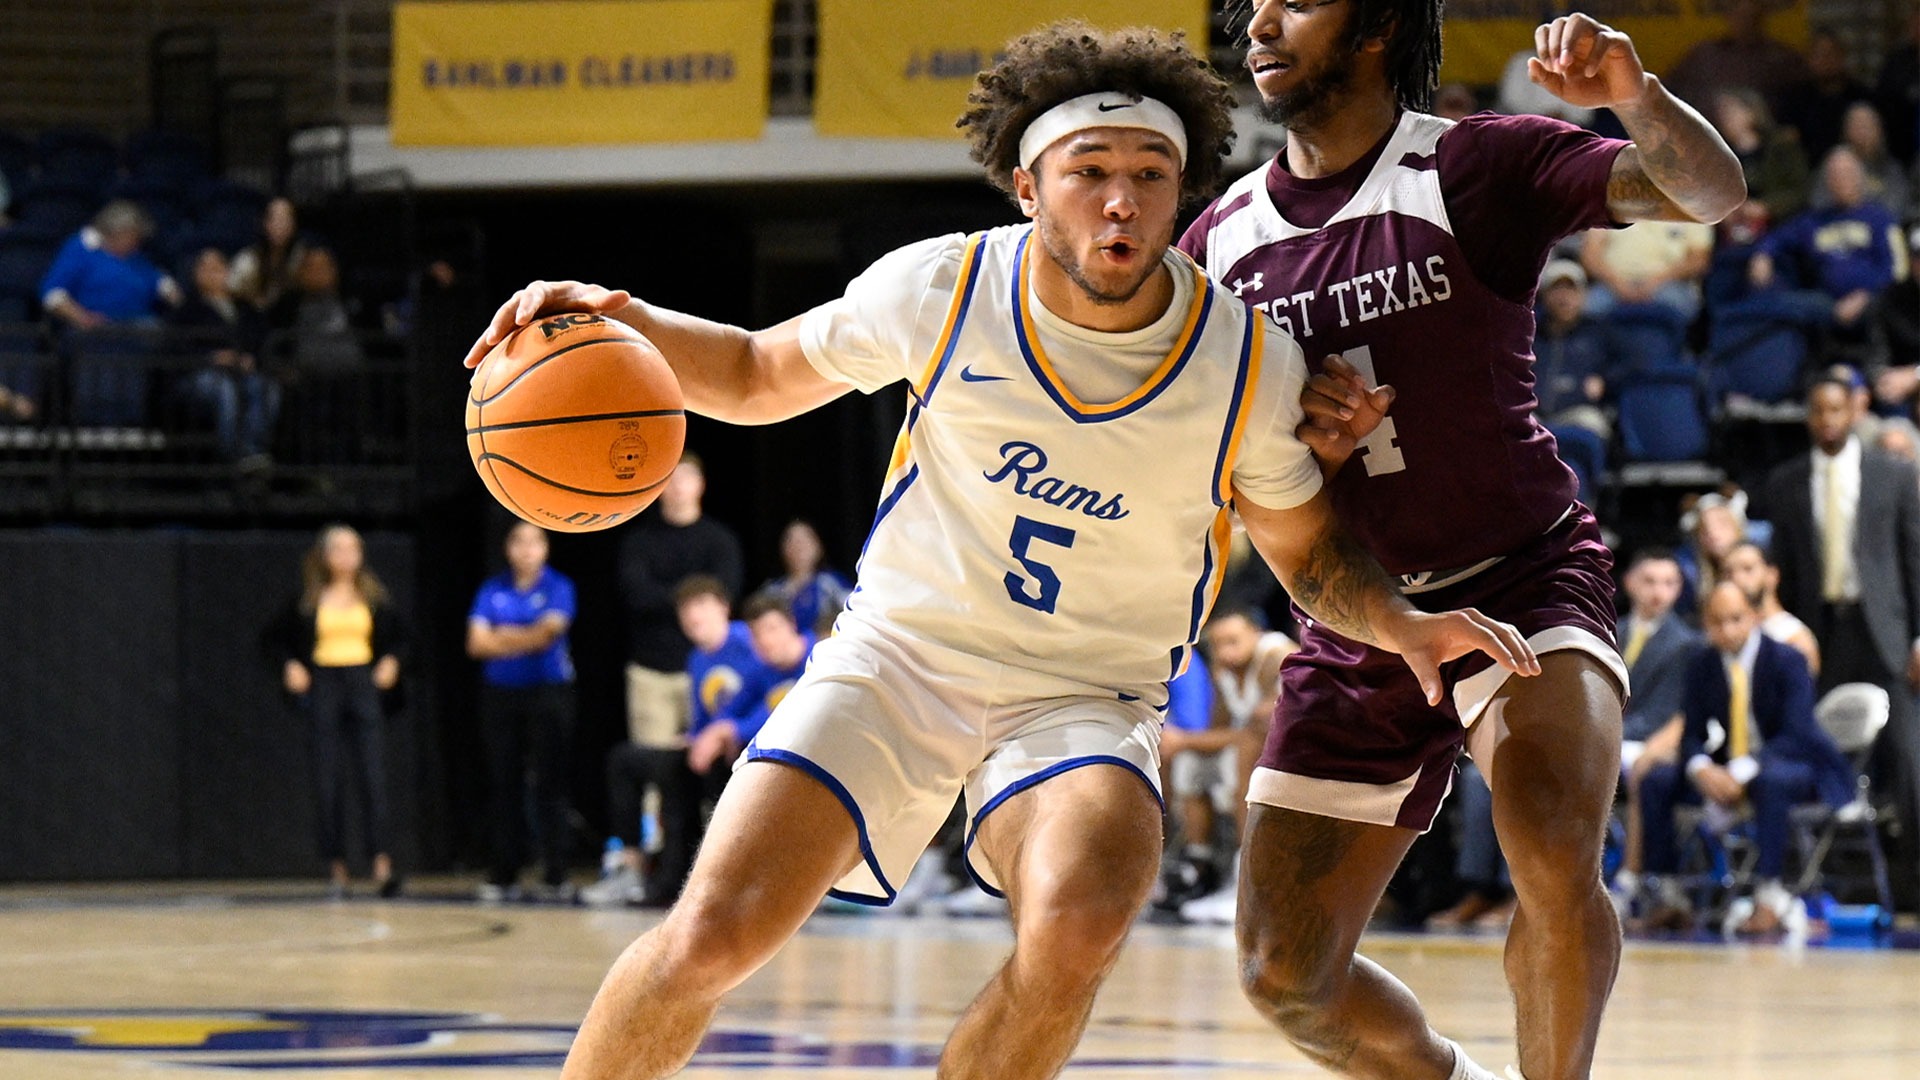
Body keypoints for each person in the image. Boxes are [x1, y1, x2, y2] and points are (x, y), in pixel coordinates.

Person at [462, 22, 1535, 1079]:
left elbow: (1308, 558)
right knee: (710, 940)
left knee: (1080, 922)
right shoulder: (939, 290)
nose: (1122, 198)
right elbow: (750, 373)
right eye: (1090, 171)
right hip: (897, 662)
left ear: (1184, 193)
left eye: (1152, 173)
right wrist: (616, 319)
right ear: (1027, 185)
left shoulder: (1244, 359)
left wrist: (1400, 620)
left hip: (1087, 694)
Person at [1182, 5, 1744, 1077]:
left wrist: (1635, 95)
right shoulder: (1219, 244)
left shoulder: (1472, 165)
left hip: (1518, 577)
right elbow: (1223, 493)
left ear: (1379, 25)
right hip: (1357, 617)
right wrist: (1308, 461)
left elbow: (1709, 194)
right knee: (1281, 974)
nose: (1257, 17)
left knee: (1547, 842)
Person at [1761, 370, 1920, 910]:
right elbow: (1780, 571)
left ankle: (1912, 887)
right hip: (1819, 632)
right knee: (1816, 751)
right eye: (1818, 410)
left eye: (1837, 409)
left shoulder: (1893, 475)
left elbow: (1913, 561)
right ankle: (1819, 881)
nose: (1828, 419)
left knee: (1905, 753)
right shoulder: (1785, 482)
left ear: (1855, 411)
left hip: (1884, 633)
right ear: (1809, 416)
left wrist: (1919, 637)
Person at [1635, 581, 1855, 934]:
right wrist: (1701, 767)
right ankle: (1669, 895)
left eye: (1736, 619)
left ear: (1753, 616)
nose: (1727, 629)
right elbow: (1692, 733)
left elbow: (1797, 733)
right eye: (1717, 622)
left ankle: (1769, 894)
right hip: (1729, 766)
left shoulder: (1788, 660)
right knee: (1657, 780)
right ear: (1705, 623)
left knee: (1771, 781)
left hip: (1796, 767)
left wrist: (1742, 771)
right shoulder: (1702, 664)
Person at [587, 576, 757, 908]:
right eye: (686, 609)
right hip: (710, 749)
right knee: (626, 760)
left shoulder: (749, 643)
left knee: (679, 780)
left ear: (723, 607)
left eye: (702, 605)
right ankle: (633, 864)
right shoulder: (697, 659)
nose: (694, 616)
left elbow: (768, 696)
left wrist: (727, 731)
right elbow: (704, 721)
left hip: (746, 749)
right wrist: (695, 737)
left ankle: (687, 876)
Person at [267, 524, 407, 899]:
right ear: (325, 556)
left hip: (362, 682)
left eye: (354, 548)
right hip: (325, 683)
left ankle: (381, 862)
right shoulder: (307, 599)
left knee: (372, 774)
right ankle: (336, 866)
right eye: (340, 549)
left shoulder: (374, 597)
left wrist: (392, 660)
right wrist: (290, 665)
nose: (347, 556)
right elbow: (274, 639)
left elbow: (401, 637)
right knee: (327, 778)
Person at [467, 521, 578, 902]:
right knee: (504, 783)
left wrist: (503, 636)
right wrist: (524, 636)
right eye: (519, 541)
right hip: (501, 694)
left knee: (551, 783)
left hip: (549, 693)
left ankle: (555, 873)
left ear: (545, 549)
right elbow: (476, 644)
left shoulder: (558, 586)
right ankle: (504, 873)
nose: (527, 549)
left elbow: (547, 635)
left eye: (535, 542)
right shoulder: (492, 589)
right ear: (508, 549)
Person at [1167, 606, 1295, 924]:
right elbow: (1219, 729)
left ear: (1256, 633)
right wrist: (1186, 744)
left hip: (1296, 753)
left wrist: (1183, 739)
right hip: (1250, 750)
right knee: (1191, 763)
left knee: (1246, 754)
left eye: (1234, 641)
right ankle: (1199, 867)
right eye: (1219, 644)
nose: (1226, 651)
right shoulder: (1225, 672)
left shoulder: (1278, 655)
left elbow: (1265, 726)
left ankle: (1249, 882)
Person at [616, 455, 744, 753]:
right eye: (669, 478)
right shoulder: (638, 542)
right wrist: (695, 598)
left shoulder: (720, 540)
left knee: (712, 769)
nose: (677, 486)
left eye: (685, 477)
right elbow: (636, 595)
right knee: (655, 771)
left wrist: (667, 597)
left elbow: (727, 594)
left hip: (711, 668)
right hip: (652, 672)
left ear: (700, 484)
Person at [1749, 147, 1906, 362]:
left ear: (1860, 177)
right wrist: (1762, 255)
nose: (1841, 181)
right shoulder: (1815, 220)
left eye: (1846, 174)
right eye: (1834, 175)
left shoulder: (1880, 219)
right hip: (1826, 302)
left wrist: (1865, 296)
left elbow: (1897, 270)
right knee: (1778, 303)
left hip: (1873, 300)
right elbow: (1777, 237)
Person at [1609, 549, 1701, 912]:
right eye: (1649, 581)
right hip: (1612, 736)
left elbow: (1663, 714)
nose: (1658, 592)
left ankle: (1629, 879)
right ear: (1629, 583)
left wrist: (1598, 733)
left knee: (1636, 770)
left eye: (1669, 583)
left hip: (1645, 742)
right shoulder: (1609, 631)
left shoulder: (1686, 644)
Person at [167, 246, 280, 465]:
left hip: (243, 372)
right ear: (196, 274)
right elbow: (176, 346)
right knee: (224, 390)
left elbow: (261, 340)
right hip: (200, 374)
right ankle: (234, 457)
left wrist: (250, 358)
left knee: (267, 389)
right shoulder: (187, 310)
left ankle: (253, 453)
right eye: (206, 268)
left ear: (228, 272)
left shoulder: (245, 308)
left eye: (218, 268)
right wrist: (212, 357)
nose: (212, 273)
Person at [1662, 0, 1809, 118]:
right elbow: (1667, 89)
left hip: (1763, 146)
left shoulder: (1780, 58)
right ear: (1729, 16)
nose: (1745, 22)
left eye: (1751, 17)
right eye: (1739, 15)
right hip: (1703, 139)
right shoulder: (1705, 54)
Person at [1719, 540, 1821, 676]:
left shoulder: (1795, 639)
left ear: (1772, 575)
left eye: (1747, 569)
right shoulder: (1723, 634)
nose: (1736, 578)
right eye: (1728, 572)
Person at [758, 519, 850, 637]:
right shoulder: (772, 591)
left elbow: (854, 615)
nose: (799, 547)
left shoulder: (831, 584)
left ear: (818, 546)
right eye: (792, 541)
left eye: (804, 541)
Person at [230, 196, 309, 310]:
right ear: (265, 224)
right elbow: (233, 291)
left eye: (286, 219)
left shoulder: (303, 259)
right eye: (275, 219)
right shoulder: (247, 260)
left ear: (294, 225)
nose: (280, 225)